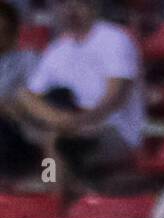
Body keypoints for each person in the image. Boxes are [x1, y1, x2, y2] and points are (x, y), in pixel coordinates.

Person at [12, 0, 146, 187]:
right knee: (25, 102)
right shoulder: (58, 48)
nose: (71, 11)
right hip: (66, 123)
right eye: (65, 5)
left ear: (93, 7)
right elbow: (30, 94)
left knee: (56, 138)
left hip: (113, 129)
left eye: (78, 5)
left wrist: (81, 121)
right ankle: (52, 190)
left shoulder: (114, 39)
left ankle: (54, 193)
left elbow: (116, 97)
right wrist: (61, 120)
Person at [0, 0, 39, 178]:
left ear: (14, 32)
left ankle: (51, 181)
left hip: (20, 129)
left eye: (4, 31)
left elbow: (38, 100)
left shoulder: (28, 59)